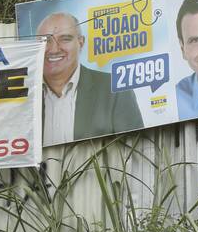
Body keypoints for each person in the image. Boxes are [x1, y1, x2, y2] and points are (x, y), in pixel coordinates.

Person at [36, 12, 143, 146]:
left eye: (65, 39)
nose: (53, 49)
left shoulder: (115, 88)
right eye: (46, 41)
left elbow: (136, 147)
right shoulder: (25, 94)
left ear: (80, 42)